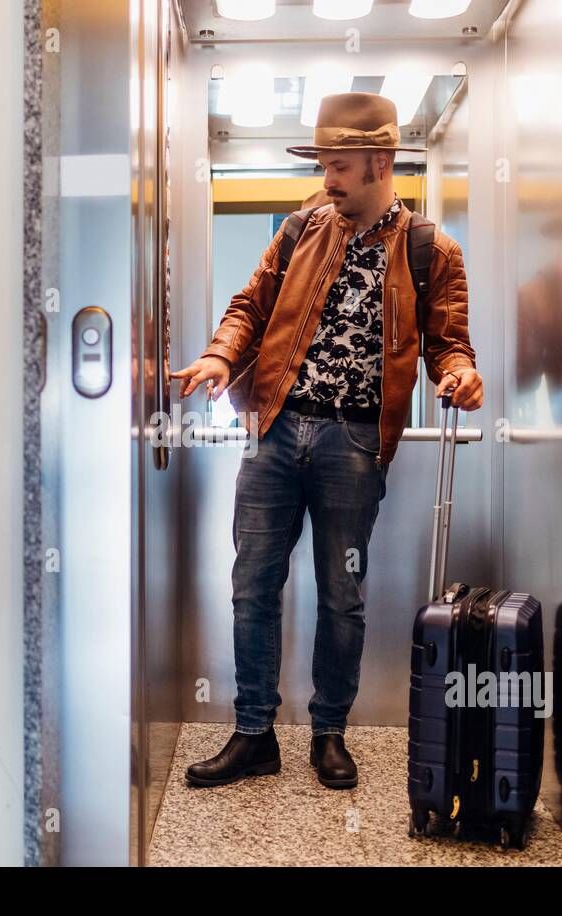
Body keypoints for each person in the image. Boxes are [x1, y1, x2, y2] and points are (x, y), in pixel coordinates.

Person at [169, 92, 482, 789]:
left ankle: (329, 735)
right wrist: (222, 355)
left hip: (353, 442)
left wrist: (460, 375)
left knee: (342, 593)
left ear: (381, 162)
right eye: (325, 165)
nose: (329, 179)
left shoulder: (432, 250)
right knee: (253, 585)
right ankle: (254, 734)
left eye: (339, 166)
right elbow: (249, 306)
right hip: (275, 430)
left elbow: (449, 344)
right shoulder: (300, 229)